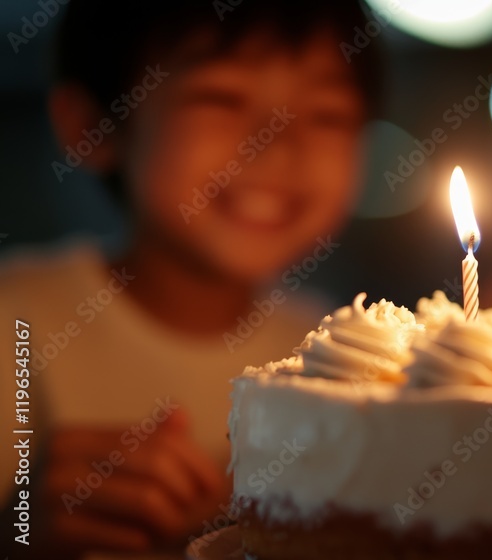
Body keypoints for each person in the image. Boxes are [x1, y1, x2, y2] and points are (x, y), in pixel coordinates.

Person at [0, 0, 381, 557]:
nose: (277, 143)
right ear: (90, 127)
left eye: (326, 114)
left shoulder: (348, 355)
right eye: (221, 100)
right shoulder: (16, 320)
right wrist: (20, 527)